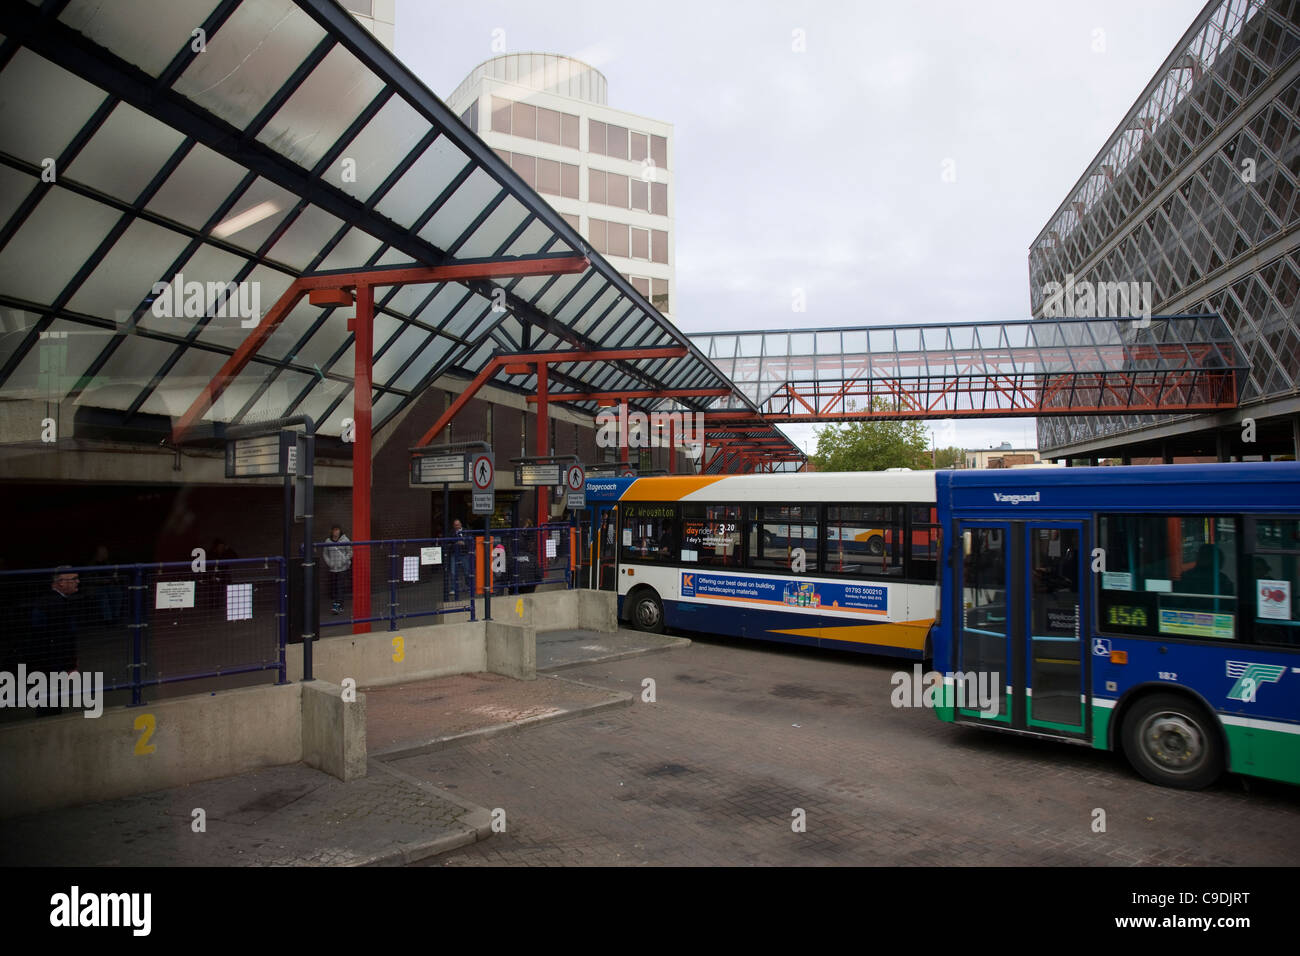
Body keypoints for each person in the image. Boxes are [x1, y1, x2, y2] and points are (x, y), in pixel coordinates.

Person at [28, 567, 81, 674]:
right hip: (52, 666)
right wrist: (69, 665)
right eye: (74, 579)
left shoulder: (55, 599)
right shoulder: (56, 604)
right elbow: (63, 638)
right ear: (61, 582)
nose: (78, 581)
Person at [322, 525, 352, 614]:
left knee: (339, 587)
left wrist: (343, 561)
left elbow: (350, 552)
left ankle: (337, 606)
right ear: (332, 531)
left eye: (337, 530)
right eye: (334, 530)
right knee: (335, 588)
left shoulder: (345, 540)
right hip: (333, 568)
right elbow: (325, 554)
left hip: (342, 568)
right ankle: (339, 605)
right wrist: (329, 563)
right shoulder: (327, 541)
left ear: (340, 531)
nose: (335, 532)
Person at [448, 519, 473, 599]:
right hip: (454, 554)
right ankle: (453, 588)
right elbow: (448, 542)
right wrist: (456, 543)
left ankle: (469, 586)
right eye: (455, 525)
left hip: (464, 553)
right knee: (453, 572)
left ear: (461, 524)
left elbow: (471, 541)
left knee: (467, 571)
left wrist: (464, 543)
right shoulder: (451, 533)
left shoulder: (466, 531)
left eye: (458, 525)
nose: (457, 527)